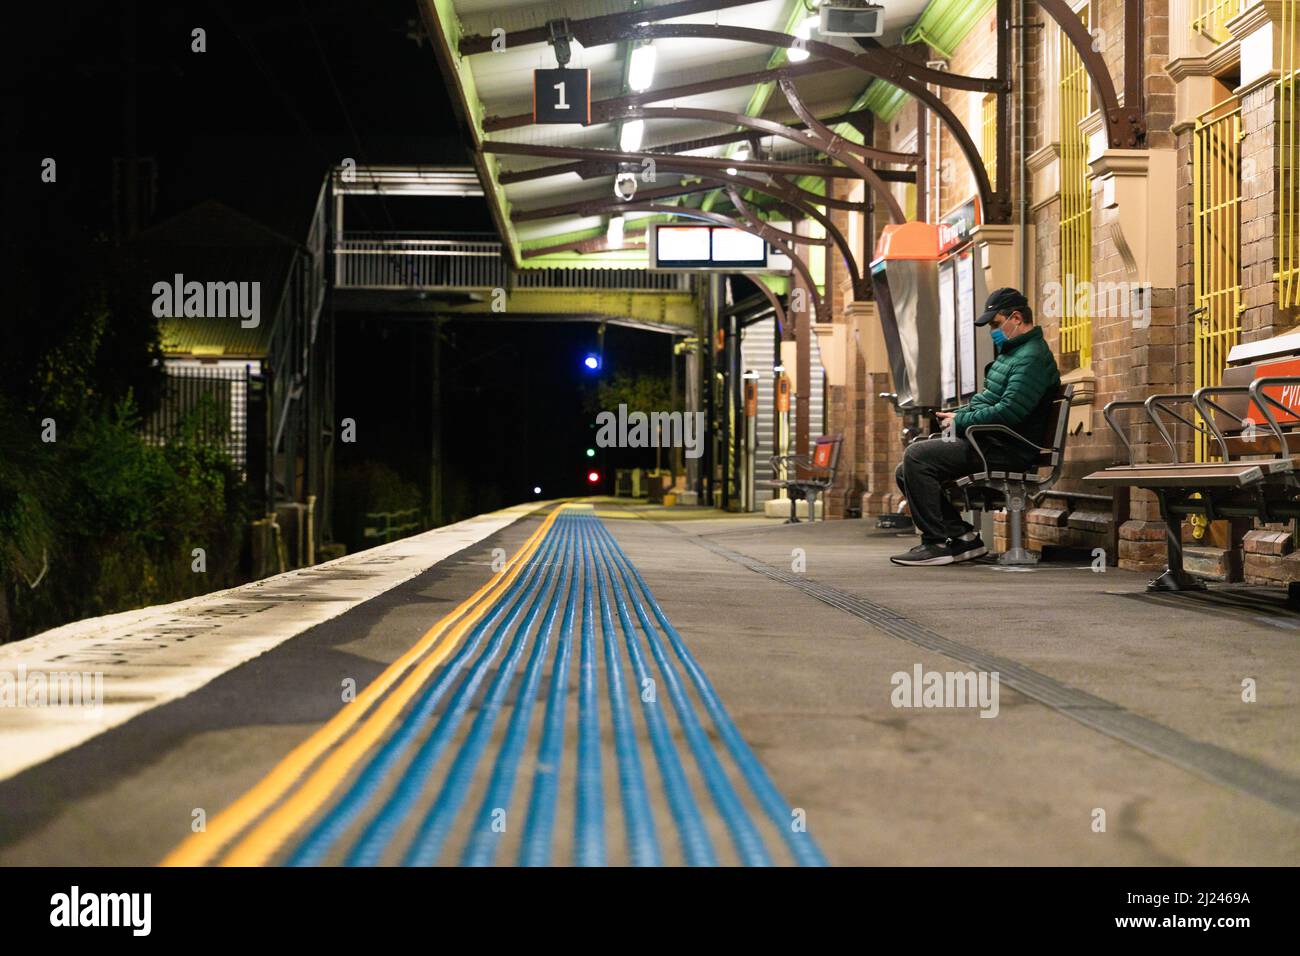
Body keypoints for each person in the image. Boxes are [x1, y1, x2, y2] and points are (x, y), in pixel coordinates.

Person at [890, 287, 1061, 567]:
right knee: (906, 468)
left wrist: (961, 422)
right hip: (992, 442)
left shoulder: (1030, 358)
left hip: (1009, 448)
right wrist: (957, 415)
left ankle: (936, 543)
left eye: (996, 323)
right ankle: (962, 538)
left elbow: (1009, 412)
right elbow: (988, 401)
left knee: (917, 458)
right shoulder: (1013, 355)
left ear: (1016, 317)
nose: (993, 331)